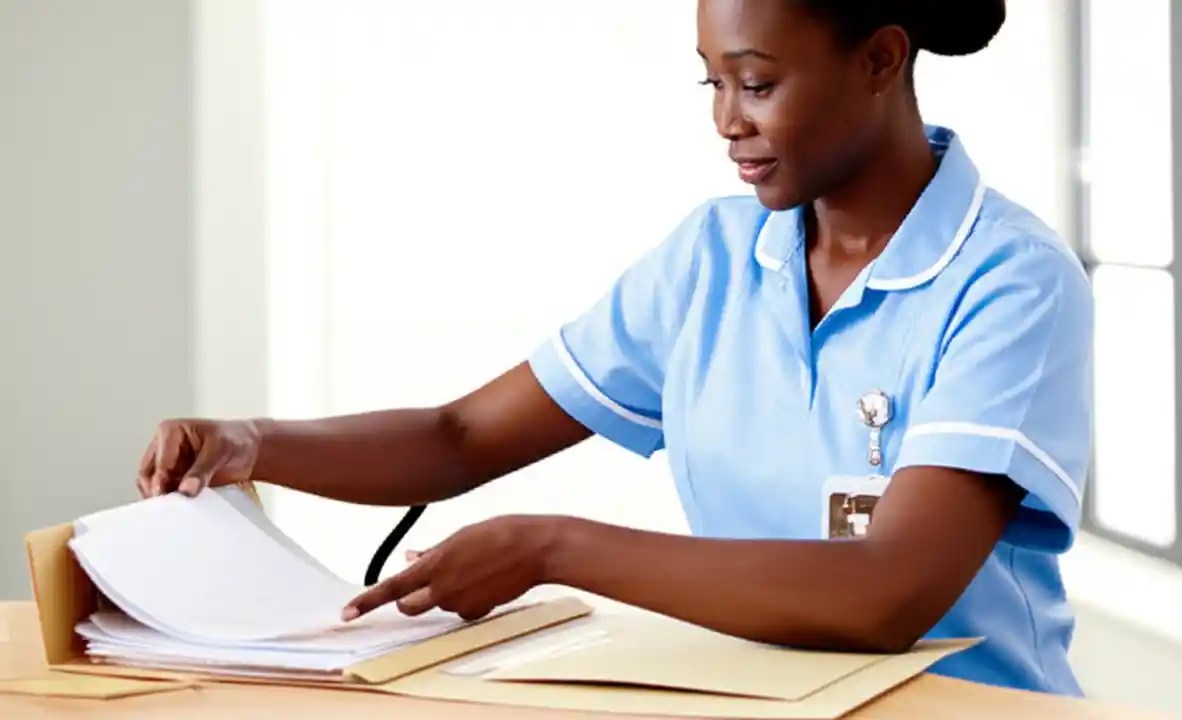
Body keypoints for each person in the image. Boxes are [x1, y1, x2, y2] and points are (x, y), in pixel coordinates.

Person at [137, 0, 1092, 696]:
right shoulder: (715, 259)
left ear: (882, 59)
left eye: (757, 83)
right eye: (712, 83)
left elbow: (886, 593)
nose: (727, 120)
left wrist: (551, 546)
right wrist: (254, 441)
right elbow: (462, 435)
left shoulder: (1008, 280)